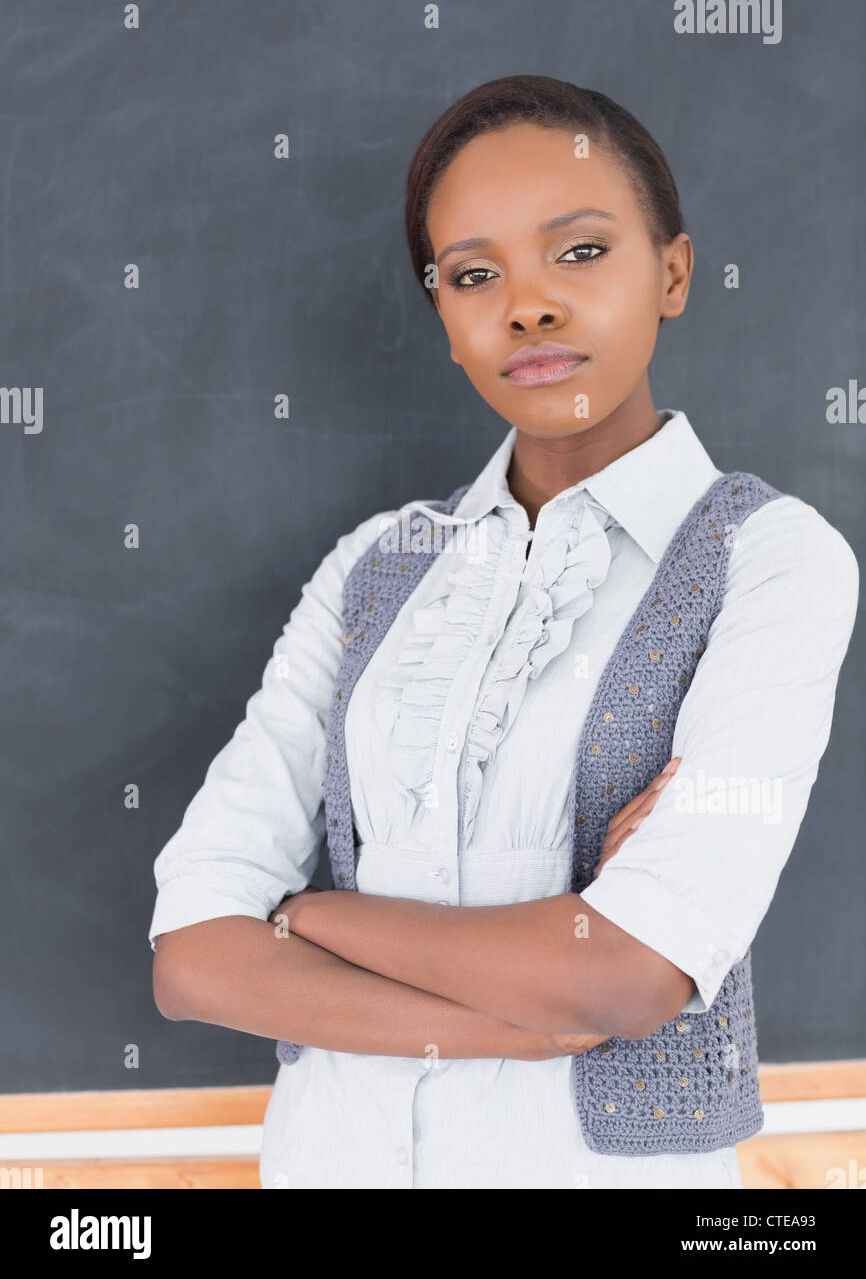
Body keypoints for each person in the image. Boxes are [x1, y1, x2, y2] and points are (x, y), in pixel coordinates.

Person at [149, 76, 858, 1189]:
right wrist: (531, 1016)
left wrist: (308, 913)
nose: (525, 306)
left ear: (671, 272)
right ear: (443, 318)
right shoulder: (374, 566)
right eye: (474, 275)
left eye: (577, 253)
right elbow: (192, 957)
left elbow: (624, 978)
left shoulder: (766, 560)